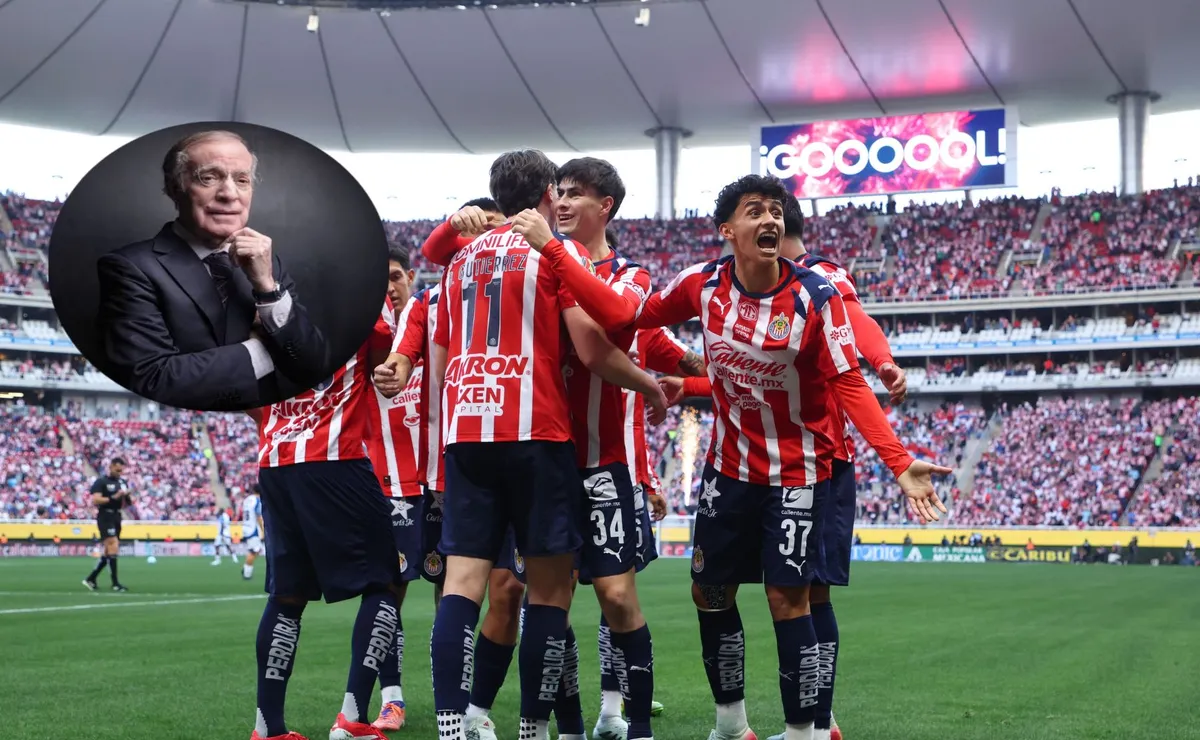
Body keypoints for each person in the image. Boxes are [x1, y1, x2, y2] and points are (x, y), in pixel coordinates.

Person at [539, 174, 950, 740]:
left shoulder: (815, 297)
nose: (770, 220)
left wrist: (899, 462)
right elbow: (628, 320)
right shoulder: (702, 284)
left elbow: (849, 384)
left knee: (789, 598)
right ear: (727, 230)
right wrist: (677, 369)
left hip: (798, 476)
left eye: (776, 211)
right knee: (709, 591)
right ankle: (731, 724)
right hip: (728, 472)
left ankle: (804, 731)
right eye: (754, 211)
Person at [380, 149, 665, 740]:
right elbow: (595, 341)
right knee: (549, 592)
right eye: (556, 191)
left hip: (466, 435)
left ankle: (453, 722)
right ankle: (536, 727)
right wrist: (649, 385)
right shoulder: (549, 257)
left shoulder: (456, 266)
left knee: (461, 585)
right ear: (544, 196)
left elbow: (437, 358)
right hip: (537, 433)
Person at [381, 198, 530, 740]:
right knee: (452, 592)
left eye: (492, 225)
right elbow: (401, 356)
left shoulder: (526, 275)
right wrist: (395, 369)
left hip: (522, 450)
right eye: (473, 227)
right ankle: (442, 712)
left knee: (513, 588)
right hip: (450, 470)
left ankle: (476, 710)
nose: (481, 238)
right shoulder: (431, 299)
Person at [247, 299, 401, 740]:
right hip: (335, 458)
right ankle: (352, 718)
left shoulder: (262, 309)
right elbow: (385, 357)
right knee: (385, 582)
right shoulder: (360, 298)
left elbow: (244, 388)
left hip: (275, 461)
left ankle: (268, 728)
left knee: (286, 595)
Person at [95, 129, 328, 410]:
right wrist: (264, 351)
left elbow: (314, 366)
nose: (229, 194)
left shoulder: (268, 263)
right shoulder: (129, 267)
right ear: (174, 187)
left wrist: (267, 289)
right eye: (209, 177)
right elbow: (151, 378)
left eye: (242, 180)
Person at [360, 245, 422, 732]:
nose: (390, 287)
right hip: (390, 485)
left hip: (444, 480)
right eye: (379, 281)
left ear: (411, 276)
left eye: (396, 277)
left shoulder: (441, 319)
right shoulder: (366, 336)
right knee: (387, 594)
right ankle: (392, 697)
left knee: (457, 592)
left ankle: (456, 696)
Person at [82, 457, 131, 592]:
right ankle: (115, 583)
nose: (119, 472)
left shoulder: (122, 482)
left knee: (108, 551)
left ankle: (91, 579)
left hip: (116, 516)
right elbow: (96, 499)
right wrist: (113, 497)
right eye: (117, 470)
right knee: (113, 545)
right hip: (105, 516)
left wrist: (128, 496)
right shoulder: (101, 481)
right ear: (111, 467)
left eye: (121, 470)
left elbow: (128, 503)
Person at [241, 486, 264, 581]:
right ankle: (247, 573)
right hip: (253, 528)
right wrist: (263, 529)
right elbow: (258, 516)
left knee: (254, 550)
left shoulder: (247, 500)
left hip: (246, 527)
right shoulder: (257, 500)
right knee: (255, 551)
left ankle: (246, 568)